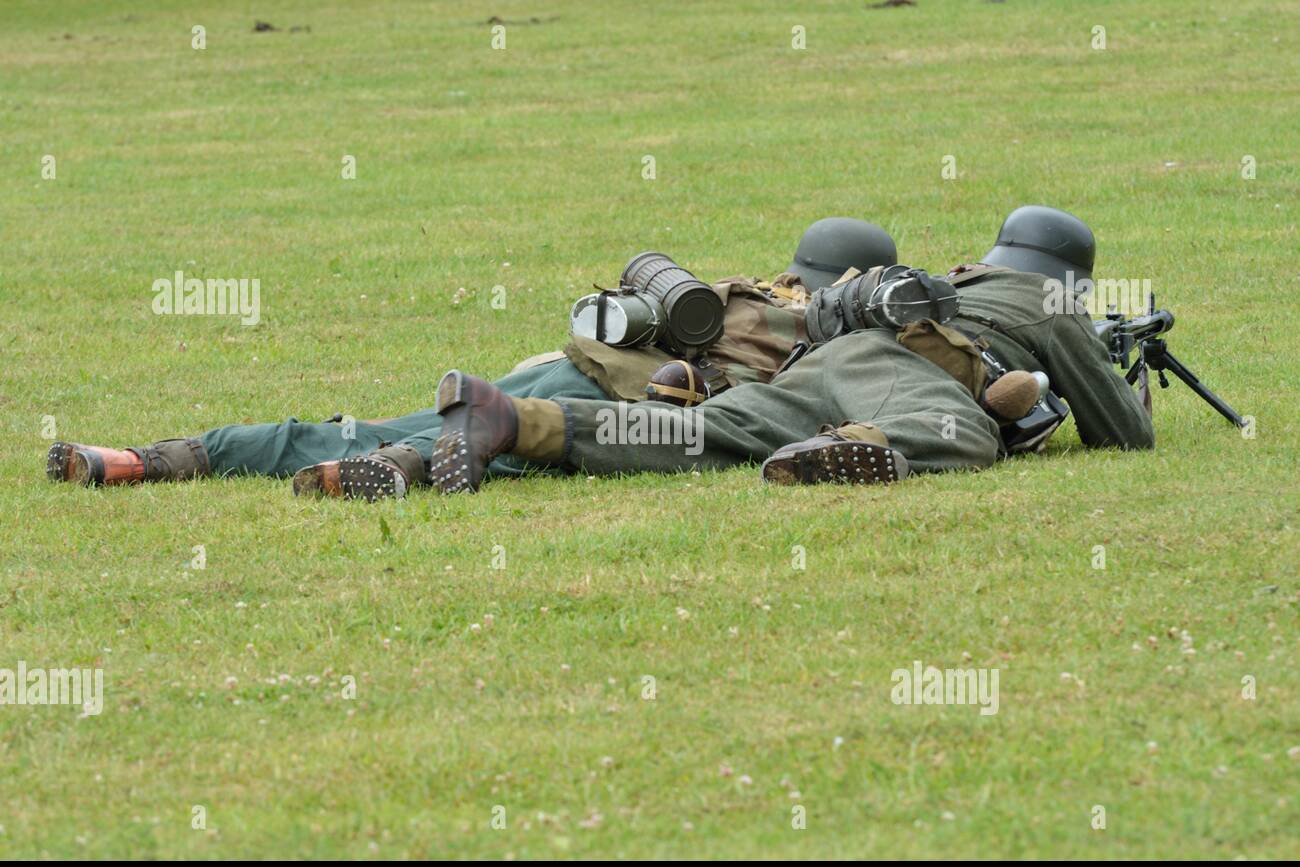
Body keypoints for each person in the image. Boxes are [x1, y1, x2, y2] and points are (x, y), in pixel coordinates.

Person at [45, 218, 898, 499]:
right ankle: (391, 465)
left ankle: (156, 458)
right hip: (597, 412)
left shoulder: (737, 293)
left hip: (564, 368)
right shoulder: (829, 336)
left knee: (388, 423)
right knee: (482, 448)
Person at [423, 207, 1155, 494]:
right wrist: (1132, 382)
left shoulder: (950, 282)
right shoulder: (1039, 300)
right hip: (892, 378)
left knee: (699, 435)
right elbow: (1125, 435)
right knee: (962, 431)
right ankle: (854, 448)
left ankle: (513, 420)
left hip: (819, 365)